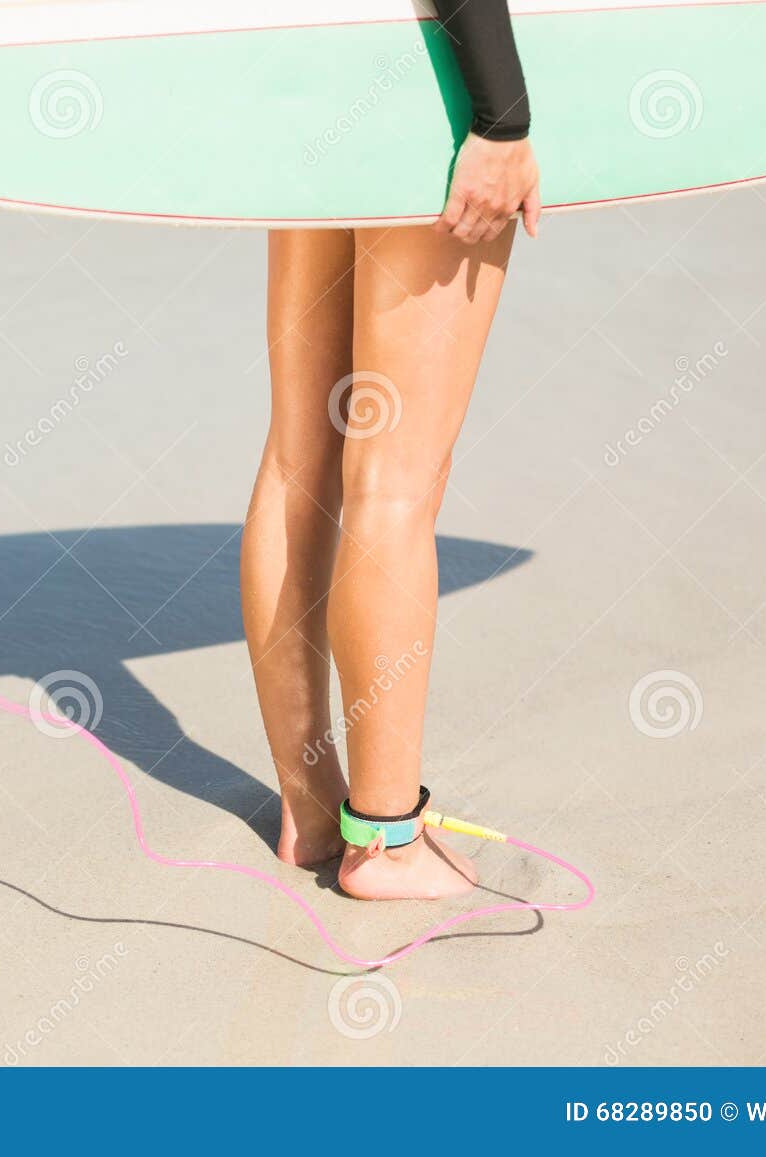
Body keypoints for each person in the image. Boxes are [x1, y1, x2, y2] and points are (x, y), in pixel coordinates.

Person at [241, 0, 540, 900]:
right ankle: (385, 840)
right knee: (395, 483)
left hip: (318, 70)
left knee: (300, 459)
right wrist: (500, 118)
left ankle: (313, 804)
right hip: (432, 89)